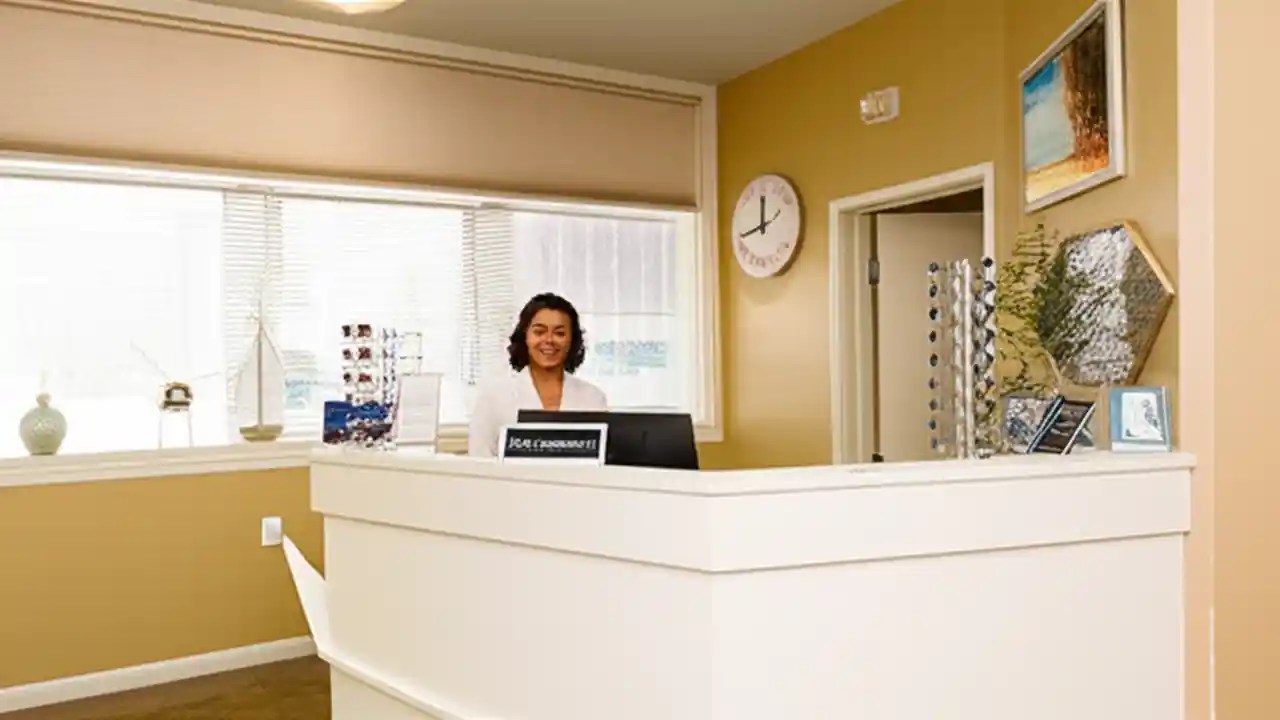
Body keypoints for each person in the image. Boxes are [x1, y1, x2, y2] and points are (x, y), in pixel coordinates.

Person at [467, 292, 608, 457]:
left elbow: (603, 462)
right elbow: (478, 461)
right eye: (539, 332)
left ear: (572, 341)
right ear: (525, 337)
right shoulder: (494, 396)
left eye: (559, 333)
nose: (549, 340)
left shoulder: (593, 397)